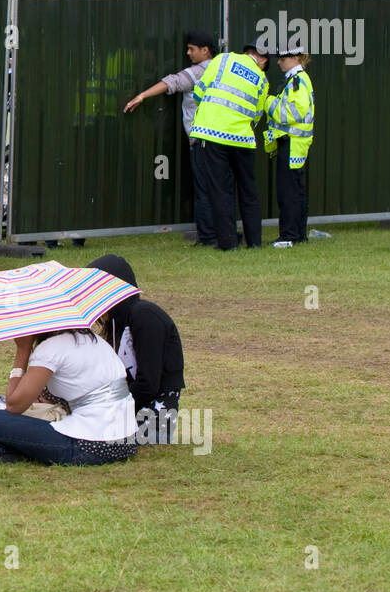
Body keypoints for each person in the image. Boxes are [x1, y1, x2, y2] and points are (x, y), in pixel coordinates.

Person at [0, 325, 137, 466]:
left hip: (90, 446)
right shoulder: (94, 340)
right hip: (126, 442)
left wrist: (23, 349)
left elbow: (13, 405)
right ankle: (19, 451)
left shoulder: (50, 349)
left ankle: (17, 452)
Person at [123, 29, 217, 247]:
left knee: (204, 190)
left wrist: (142, 95)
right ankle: (224, 233)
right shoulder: (225, 69)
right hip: (226, 138)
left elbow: (172, 82)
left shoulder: (201, 71)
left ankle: (207, 237)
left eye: (192, 49)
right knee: (221, 188)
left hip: (202, 140)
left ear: (205, 50)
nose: (188, 53)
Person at [86, 254, 185, 443]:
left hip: (152, 417)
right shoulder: (118, 324)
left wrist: (107, 410)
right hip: (129, 408)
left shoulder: (144, 317)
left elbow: (148, 384)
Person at [188, 40, 269, 250]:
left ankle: (228, 243)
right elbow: (257, 114)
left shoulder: (222, 60)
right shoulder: (262, 78)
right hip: (243, 139)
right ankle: (255, 243)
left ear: (246, 52)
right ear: (263, 60)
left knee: (221, 191)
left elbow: (198, 94)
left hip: (212, 135)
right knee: (248, 190)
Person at [262, 45, 315, 247]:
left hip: (291, 142)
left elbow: (292, 113)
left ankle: (289, 235)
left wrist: (268, 102)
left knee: (288, 193)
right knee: (296, 191)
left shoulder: (297, 81)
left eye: (282, 58)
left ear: (294, 58)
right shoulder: (298, 80)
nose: (278, 62)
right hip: (295, 143)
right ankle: (298, 234)